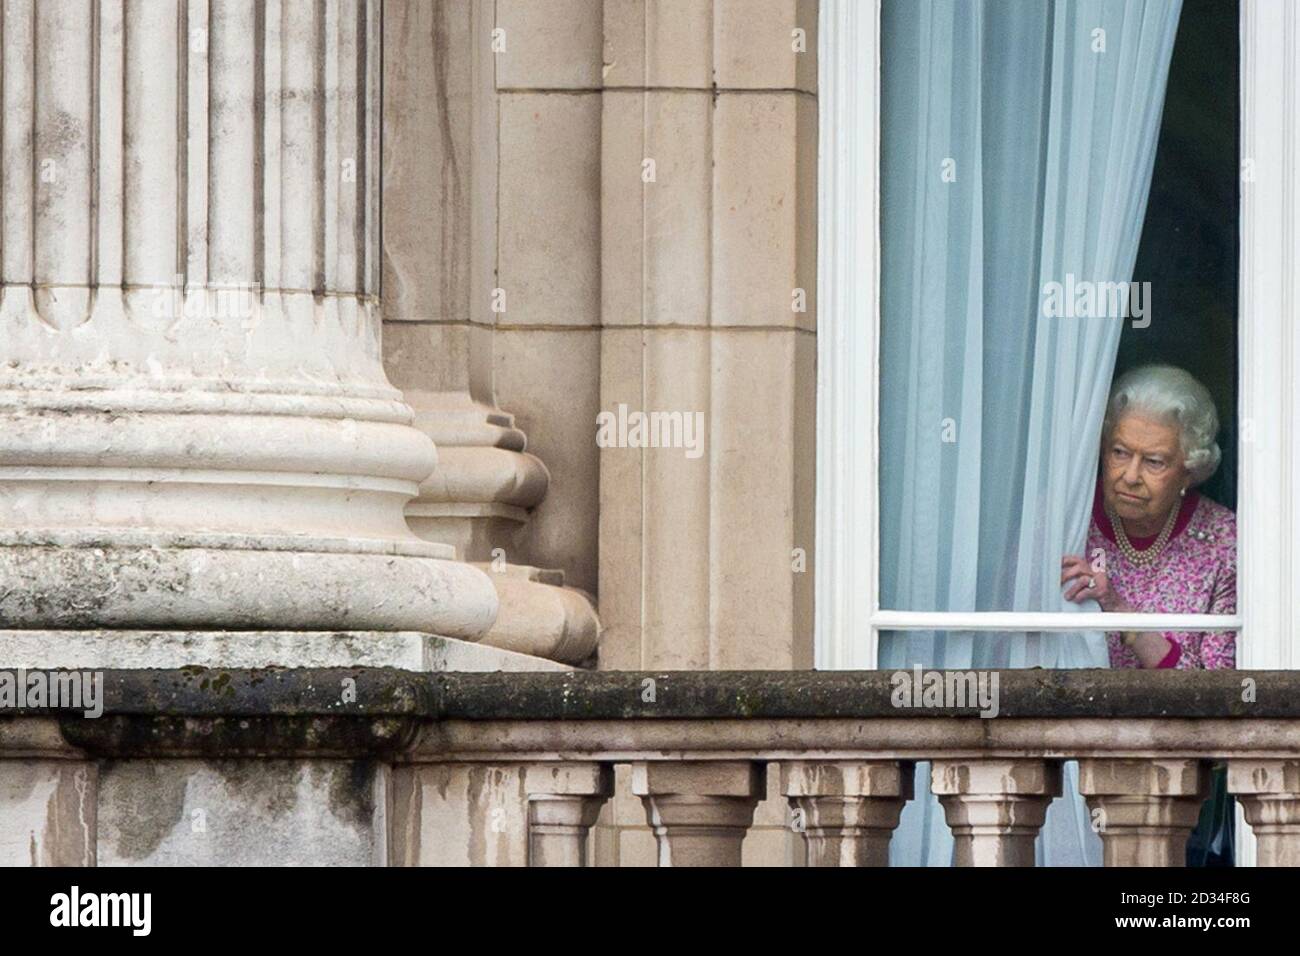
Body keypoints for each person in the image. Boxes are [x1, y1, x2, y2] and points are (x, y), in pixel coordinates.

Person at [1062, 364, 1236, 863]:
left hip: (1174, 787)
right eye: (1119, 452)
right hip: (1066, 775)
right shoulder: (1065, 519)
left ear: (1191, 468)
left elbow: (1215, 695)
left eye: (1154, 461)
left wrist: (1119, 610)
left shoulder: (1224, 544)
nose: (1129, 475)